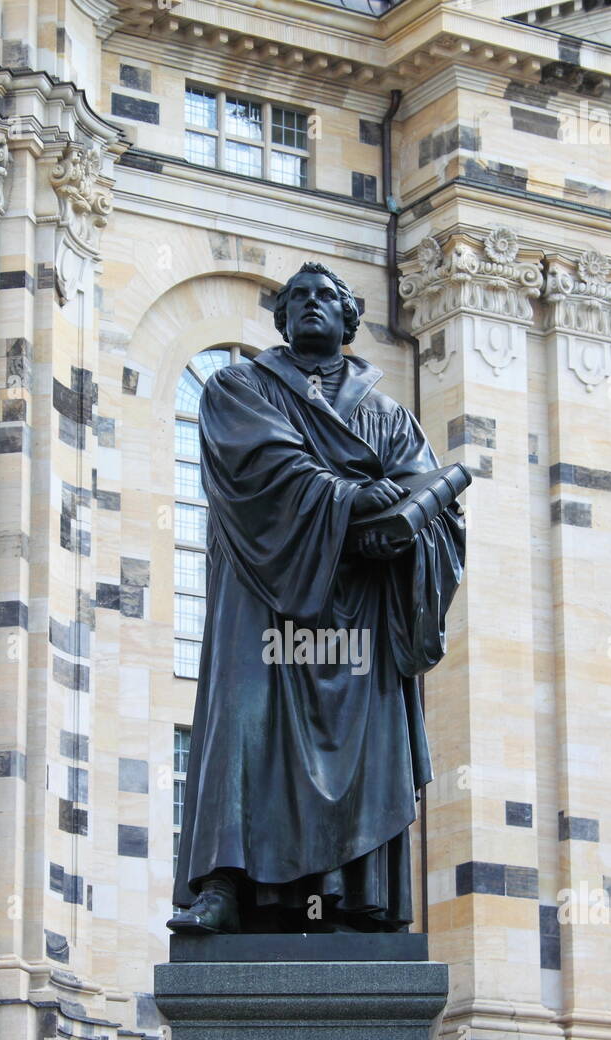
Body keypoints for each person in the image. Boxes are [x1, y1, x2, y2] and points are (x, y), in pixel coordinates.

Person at [170, 262, 465, 934]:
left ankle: (350, 894)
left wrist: (408, 531)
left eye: (326, 297)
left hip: (358, 605)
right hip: (262, 596)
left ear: (347, 319)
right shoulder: (237, 386)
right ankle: (223, 887)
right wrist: (352, 498)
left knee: (360, 744)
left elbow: (433, 511)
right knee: (243, 723)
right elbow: (260, 468)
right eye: (297, 297)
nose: (310, 305)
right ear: (281, 318)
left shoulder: (388, 414)